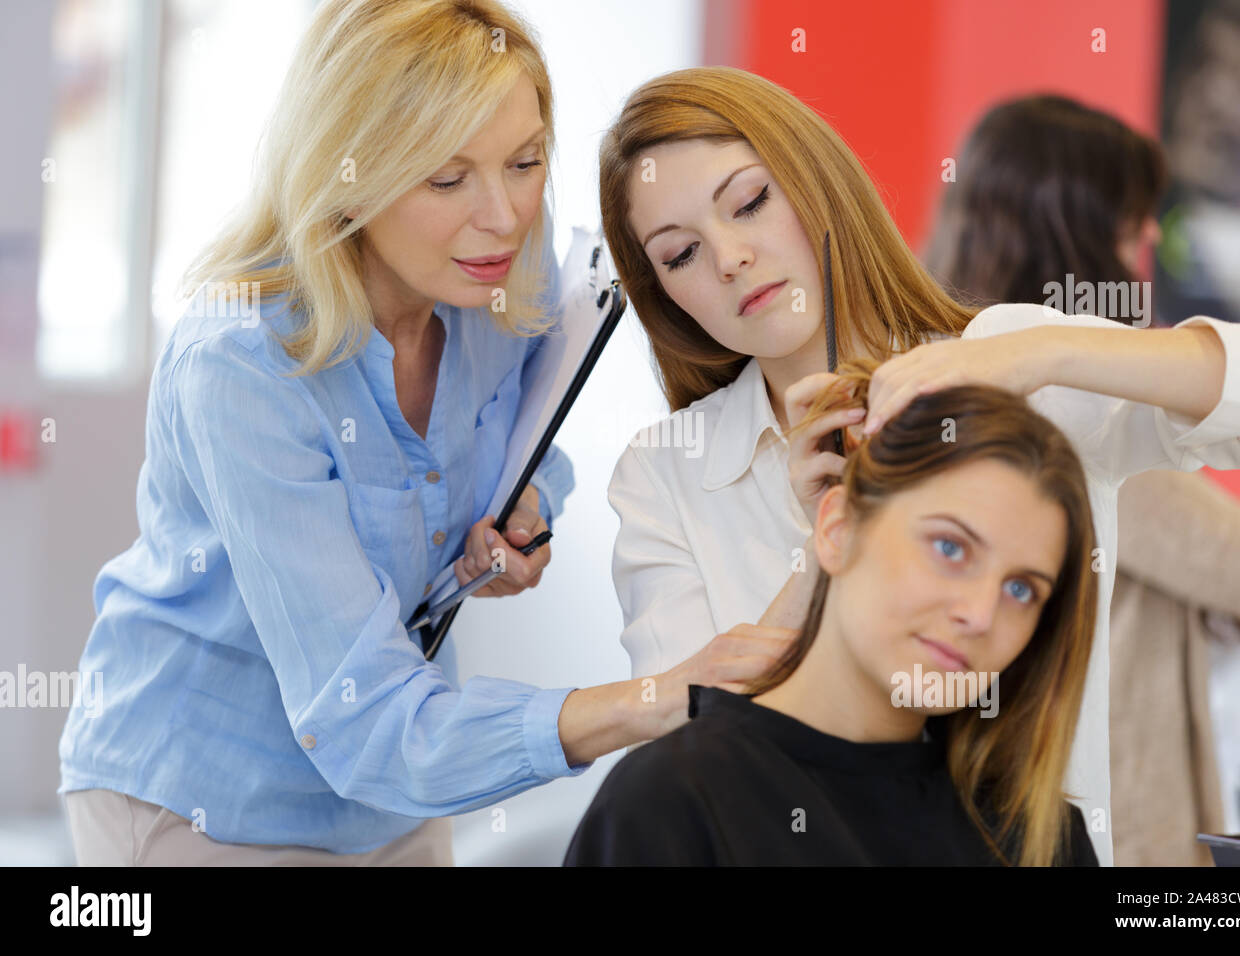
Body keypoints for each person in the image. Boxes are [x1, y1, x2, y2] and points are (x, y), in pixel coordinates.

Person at [56, 1, 791, 867]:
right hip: (208, 796)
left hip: (399, 793)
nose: (504, 215)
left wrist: (519, 510)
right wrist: (651, 698)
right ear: (347, 175)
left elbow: (526, 439)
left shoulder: (492, 270)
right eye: (446, 180)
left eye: (525, 162)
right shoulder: (243, 367)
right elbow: (363, 719)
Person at [595, 65, 1240, 866]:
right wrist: (820, 558)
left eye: (750, 202)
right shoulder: (665, 475)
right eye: (680, 253)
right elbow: (688, 754)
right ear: (664, 295)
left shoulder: (1013, 364)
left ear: (817, 182)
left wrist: (1052, 348)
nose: (728, 259)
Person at [925, 93, 1240, 866]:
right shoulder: (1063, 404)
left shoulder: (969, 369)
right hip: (1114, 807)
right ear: (1077, 226)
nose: (1154, 233)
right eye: (1135, 212)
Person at [566, 378, 1100, 865]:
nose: (980, 615)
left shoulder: (1042, 838)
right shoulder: (673, 802)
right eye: (949, 547)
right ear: (838, 529)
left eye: (1020, 589)